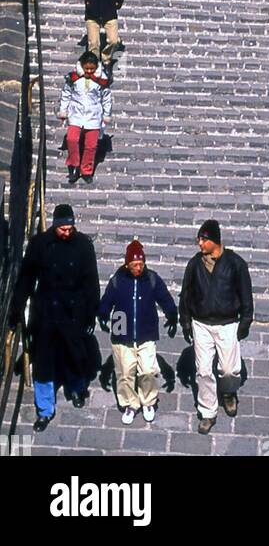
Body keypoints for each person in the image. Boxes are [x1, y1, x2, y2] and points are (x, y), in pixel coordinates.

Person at [9, 203, 100, 432]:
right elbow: (27, 278)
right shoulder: (40, 244)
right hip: (47, 311)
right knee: (44, 363)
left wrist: (91, 313)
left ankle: (77, 388)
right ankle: (45, 409)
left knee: (75, 354)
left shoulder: (83, 246)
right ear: (55, 226)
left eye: (70, 229)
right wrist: (17, 306)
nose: (67, 233)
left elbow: (91, 282)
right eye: (63, 229)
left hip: (73, 311)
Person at [179, 219, 254, 434]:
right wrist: (185, 321)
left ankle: (229, 393)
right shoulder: (194, 265)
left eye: (203, 239)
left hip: (228, 323)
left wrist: (245, 322)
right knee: (203, 371)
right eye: (199, 239)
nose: (199, 243)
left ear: (215, 240)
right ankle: (208, 412)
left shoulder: (236, 264)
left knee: (229, 370)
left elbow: (246, 295)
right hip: (201, 324)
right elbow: (186, 294)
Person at [98, 238, 178, 425]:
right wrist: (102, 315)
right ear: (127, 265)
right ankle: (130, 404)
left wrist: (172, 315)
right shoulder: (118, 280)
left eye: (141, 264)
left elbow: (165, 298)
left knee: (148, 370)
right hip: (122, 330)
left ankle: (148, 400)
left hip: (146, 332)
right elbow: (107, 301)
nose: (138, 268)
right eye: (134, 265)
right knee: (125, 373)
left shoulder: (151, 279)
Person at [58, 51, 113, 185]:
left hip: (93, 116)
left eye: (92, 69)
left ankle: (87, 170)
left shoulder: (101, 80)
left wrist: (106, 114)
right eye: (86, 68)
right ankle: (74, 165)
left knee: (91, 145)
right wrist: (63, 110)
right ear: (81, 66)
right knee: (71, 139)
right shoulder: (74, 78)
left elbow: (106, 98)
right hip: (76, 114)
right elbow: (66, 93)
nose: (89, 71)